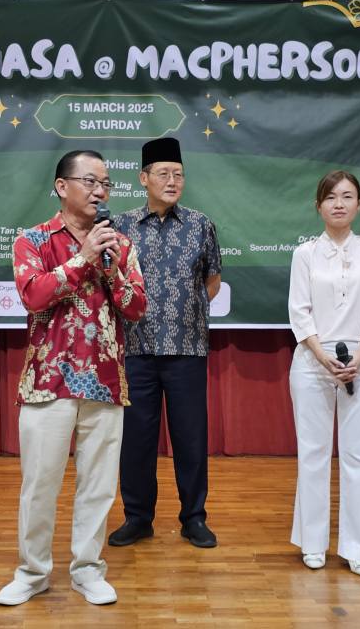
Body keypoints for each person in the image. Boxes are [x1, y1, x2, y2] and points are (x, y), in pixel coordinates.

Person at [0, 150, 147, 606]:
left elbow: (137, 307)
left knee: (98, 486)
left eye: (106, 183)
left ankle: (87, 569)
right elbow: (34, 295)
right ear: (62, 187)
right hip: (48, 381)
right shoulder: (33, 240)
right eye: (90, 181)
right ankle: (32, 572)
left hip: (105, 379)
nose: (100, 191)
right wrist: (82, 259)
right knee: (40, 485)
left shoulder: (120, 245)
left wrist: (110, 268)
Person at [107, 137, 222, 550]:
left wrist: (184, 311)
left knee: (191, 438)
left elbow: (212, 281)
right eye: (164, 174)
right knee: (136, 440)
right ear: (144, 178)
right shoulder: (120, 227)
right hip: (135, 350)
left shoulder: (200, 225)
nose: (173, 181)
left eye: (178, 174)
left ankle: (194, 518)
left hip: (186, 350)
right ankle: (138, 518)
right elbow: (109, 282)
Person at [287, 170, 360, 577]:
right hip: (312, 361)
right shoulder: (305, 253)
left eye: (347, 196)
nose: (339, 204)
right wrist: (322, 356)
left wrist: (359, 356)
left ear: (359, 205)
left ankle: (358, 548)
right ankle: (313, 544)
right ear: (319, 206)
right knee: (313, 454)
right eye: (330, 197)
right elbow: (299, 312)